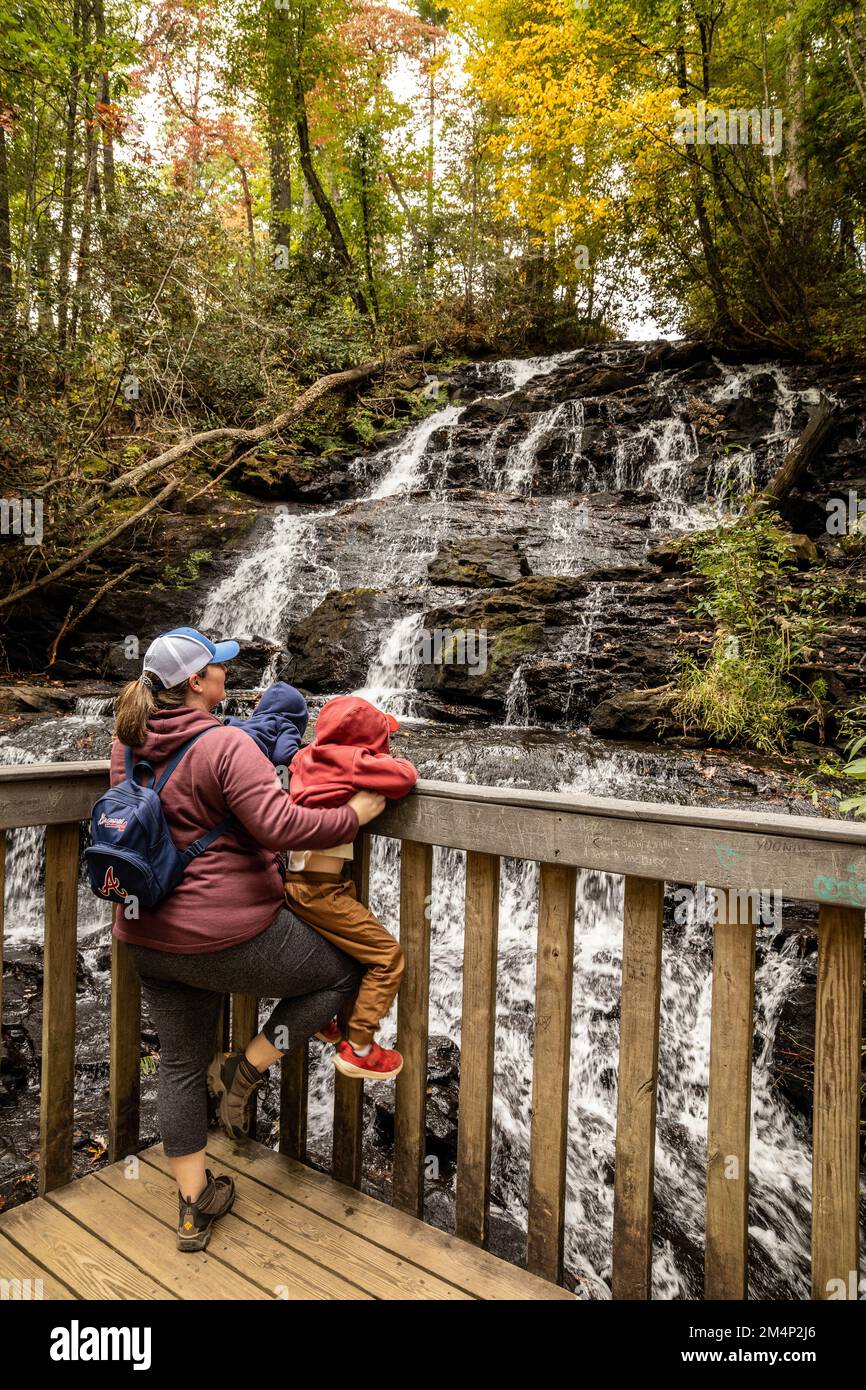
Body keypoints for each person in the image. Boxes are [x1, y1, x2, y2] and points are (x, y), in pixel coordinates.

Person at [109, 626, 386, 1252]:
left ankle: (192, 1205)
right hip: (226, 935)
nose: (226, 676)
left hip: (146, 932)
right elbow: (280, 824)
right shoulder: (226, 743)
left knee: (179, 1063)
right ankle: (250, 1062)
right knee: (343, 972)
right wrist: (355, 815)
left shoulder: (127, 744)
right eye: (217, 668)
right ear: (196, 683)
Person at [282, 694, 418, 1080]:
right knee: (386, 957)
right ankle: (360, 1047)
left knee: (344, 954)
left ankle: (328, 1020)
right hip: (322, 888)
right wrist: (386, 760)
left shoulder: (306, 757)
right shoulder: (354, 762)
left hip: (294, 882)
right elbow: (404, 777)